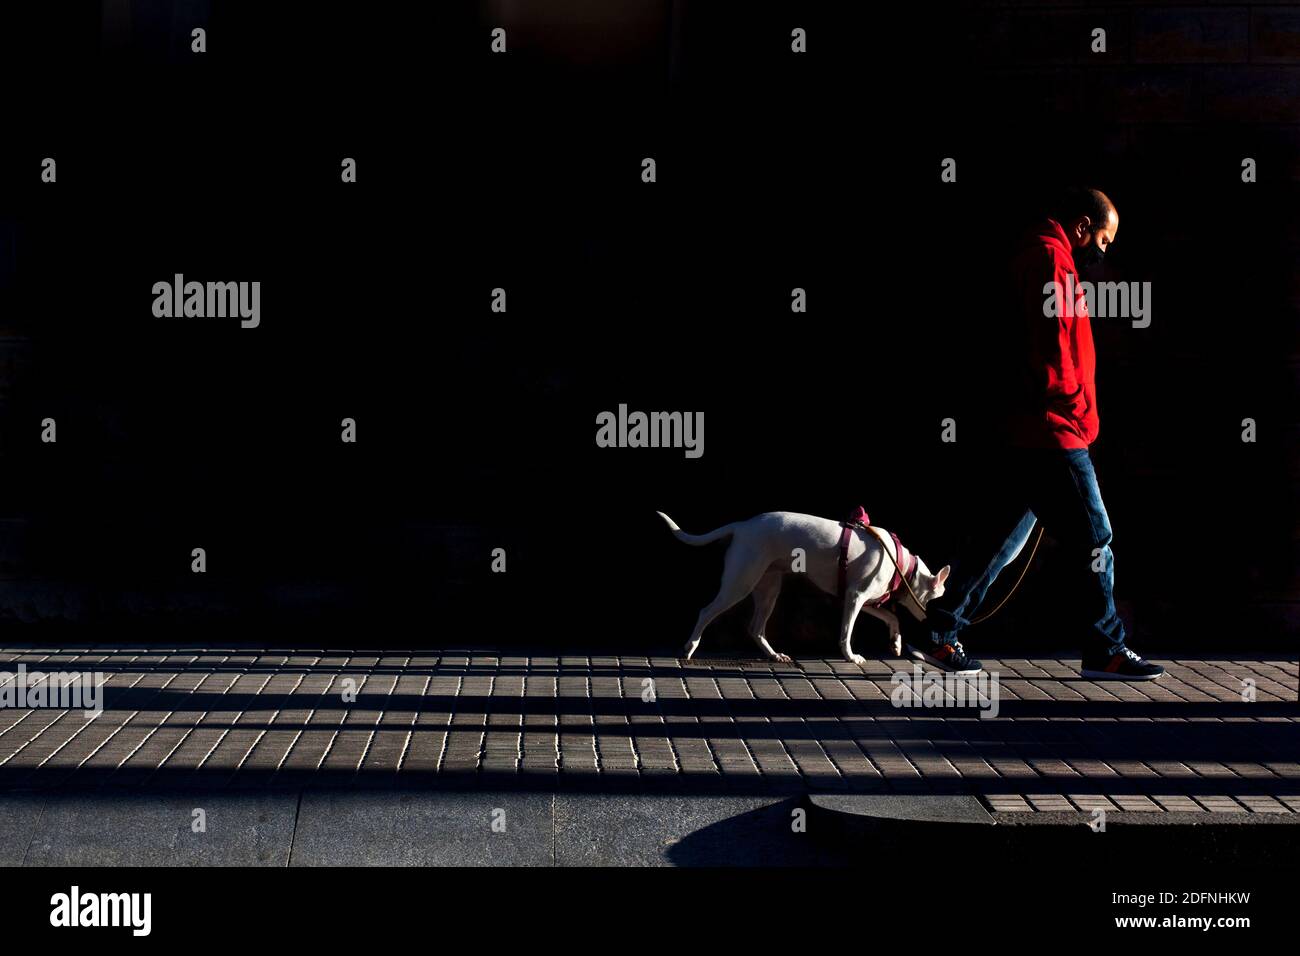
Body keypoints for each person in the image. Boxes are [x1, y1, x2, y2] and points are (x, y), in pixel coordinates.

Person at [906, 187, 1164, 681]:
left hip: (1033, 430)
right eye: (1104, 241)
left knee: (998, 542)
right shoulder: (1049, 260)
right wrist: (1072, 407)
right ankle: (1106, 648)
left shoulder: (1044, 256)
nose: (1103, 253)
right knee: (1095, 537)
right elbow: (1054, 348)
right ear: (1083, 227)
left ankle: (936, 633)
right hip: (1053, 431)